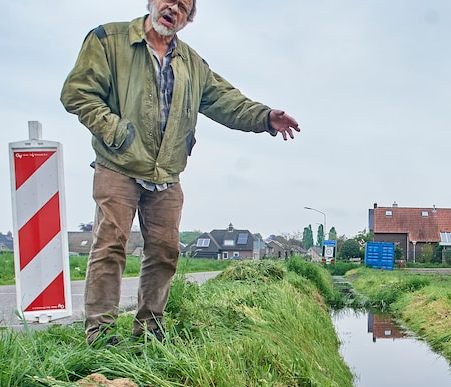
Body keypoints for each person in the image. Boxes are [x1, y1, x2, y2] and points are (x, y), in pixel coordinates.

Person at [61, 0, 300, 345]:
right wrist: (116, 132)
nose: (173, 7)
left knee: (165, 250)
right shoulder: (108, 40)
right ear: (152, 2)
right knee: (111, 245)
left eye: (184, 7)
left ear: (188, 20)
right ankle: (101, 334)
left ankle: (149, 330)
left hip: (167, 173)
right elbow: (77, 93)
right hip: (118, 164)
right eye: (168, 0)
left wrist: (265, 118)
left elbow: (226, 101)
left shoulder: (192, 63)